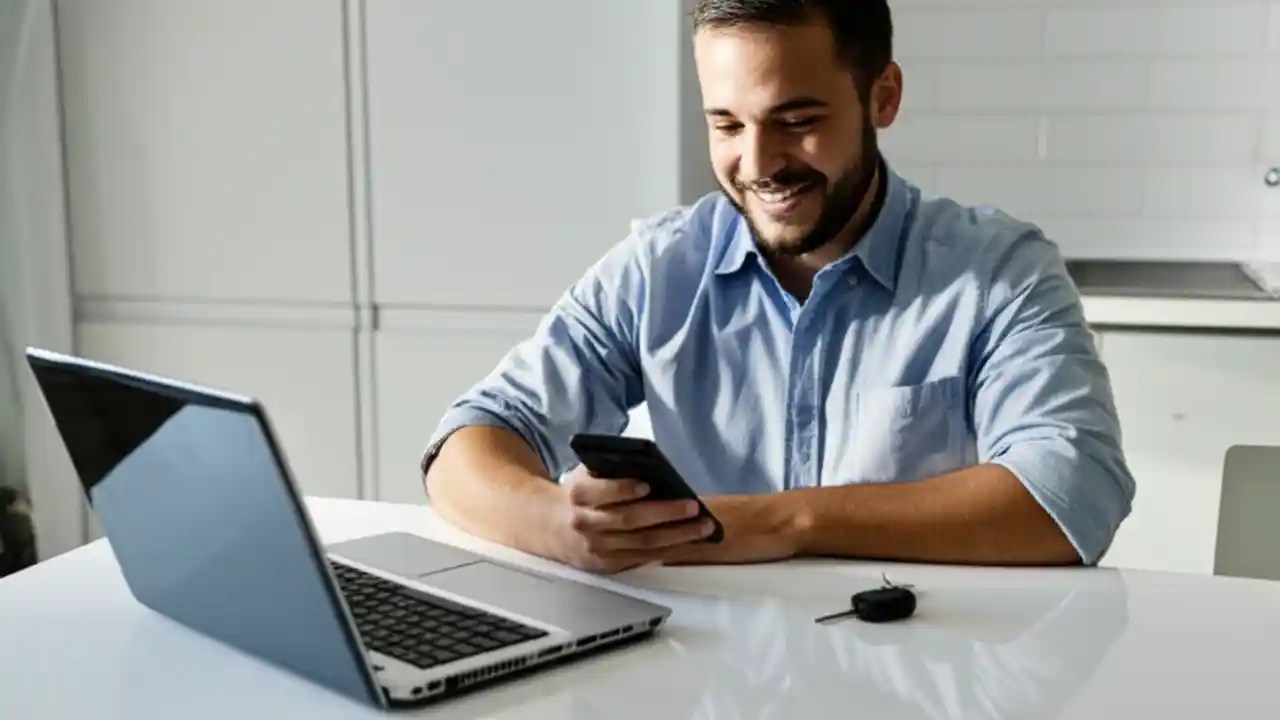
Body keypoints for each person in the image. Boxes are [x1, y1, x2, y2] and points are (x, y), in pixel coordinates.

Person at [422, 0, 1135, 574]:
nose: (758, 163)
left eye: (797, 122)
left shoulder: (999, 272)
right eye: (727, 124)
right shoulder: (657, 269)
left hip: (914, 671)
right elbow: (466, 444)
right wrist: (559, 524)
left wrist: (782, 522)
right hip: (697, 669)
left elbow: (1072, 492)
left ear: (882, 98)